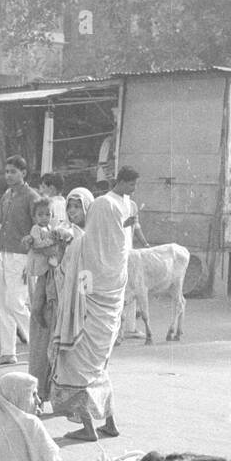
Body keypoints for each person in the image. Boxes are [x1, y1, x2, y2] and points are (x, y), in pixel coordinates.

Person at [49, 167, 140, 442]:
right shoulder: (119, 255)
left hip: (88, 319)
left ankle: (89, 429)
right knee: (100, 370)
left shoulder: (84, 248)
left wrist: (64, 256)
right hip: (109, 317)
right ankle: (110, 423)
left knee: (78, 368)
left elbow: (80, 288)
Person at [28, 187, 91, 400]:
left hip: (73, 300)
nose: (73, 211)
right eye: (70, 206)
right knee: (42, 345)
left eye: (78, 207)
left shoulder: (88, 237)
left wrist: (86, 298)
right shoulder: (60, 230)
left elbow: (87, 271)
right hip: (51, 292)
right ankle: (40, 394)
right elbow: (46, 254)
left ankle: (63, 399)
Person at [0, 154, 38, 365]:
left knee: (15, 302)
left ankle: (39, 344)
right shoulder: (7, 195)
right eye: (6, 171)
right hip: (1, 253)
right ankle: (8, 352)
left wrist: (31, 260)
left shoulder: (32, 197)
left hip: (20, 255)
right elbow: (1, 226)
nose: (8, 175)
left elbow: (40, 230)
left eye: (13, 171)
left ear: (24, 173)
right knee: (2, 304)